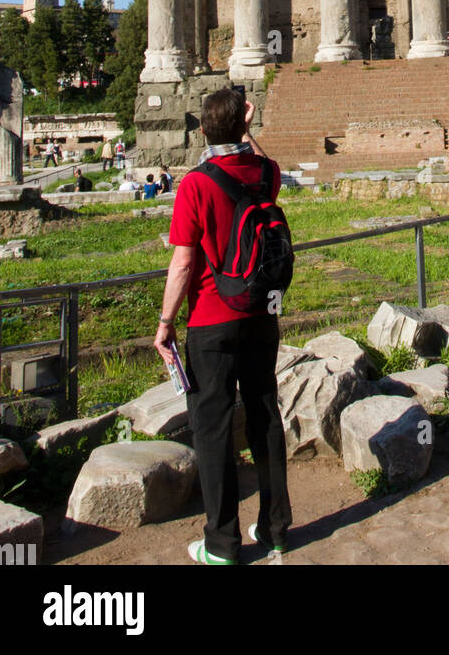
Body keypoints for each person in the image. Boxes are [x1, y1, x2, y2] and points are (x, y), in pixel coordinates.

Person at [154, 88, 292, 565]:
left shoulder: (195, 183)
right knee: (265, 416)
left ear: (200, 130)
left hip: (213, 322)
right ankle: (274, 530)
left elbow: (184, 262)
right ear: (241, 128)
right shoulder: (264, 174)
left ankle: (222, 544)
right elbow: (262, 161)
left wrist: (166, 321)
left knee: (213, 431)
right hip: (261, 315)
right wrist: (247, 131)